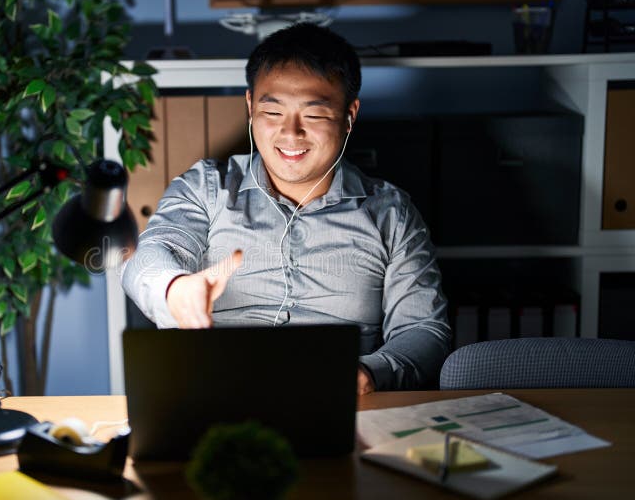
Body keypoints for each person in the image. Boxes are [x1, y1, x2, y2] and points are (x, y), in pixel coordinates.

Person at [121, 23, 451, 393]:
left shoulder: (391, 213)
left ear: (349, 115)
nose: (290, 134)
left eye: (313, 115)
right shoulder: (205, 187)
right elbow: (149, 255)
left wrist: (370, 372)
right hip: (214, 390)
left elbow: (423, 328)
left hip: (341, 401)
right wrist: (174, 289)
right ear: (250, 107)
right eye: (273, 113)